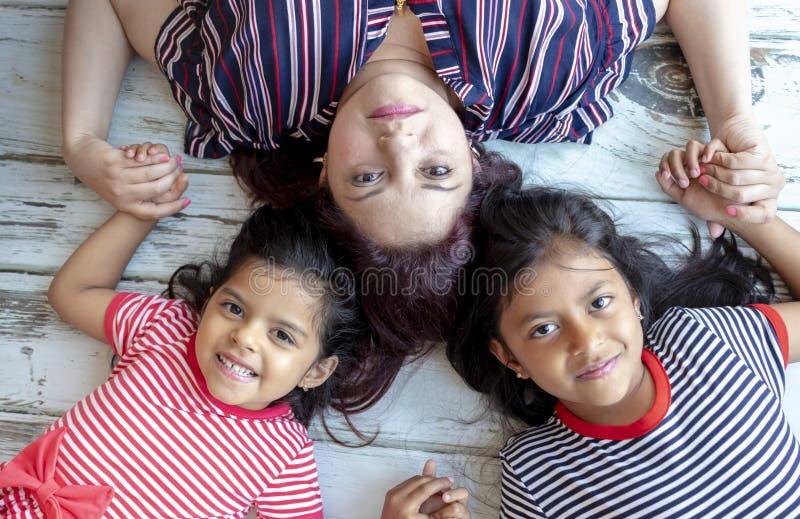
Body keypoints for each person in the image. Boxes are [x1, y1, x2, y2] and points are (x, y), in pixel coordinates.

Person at [61, 0, 783, 357]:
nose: (397, 138)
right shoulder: (545, 76)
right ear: (474, 161)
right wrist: (736, 120)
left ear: (324, 175)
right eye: (435, 171)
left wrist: (81, 141)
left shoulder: (249, 90)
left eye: (368, 177)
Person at [0, 184, 470, 519]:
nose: (244, 337)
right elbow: (72, 293)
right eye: (234, 308)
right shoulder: (165, 330)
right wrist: (139, 213)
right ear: (208, 300)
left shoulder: (282, 454)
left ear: (316, 370)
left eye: (282, 335)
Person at [446, 151, 800, 519]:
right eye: (544, 329)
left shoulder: (704, 340)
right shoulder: (536, 477)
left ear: (632, 297)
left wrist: (737, 213)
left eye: (599, 303)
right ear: (510, 358)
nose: (587, 341)